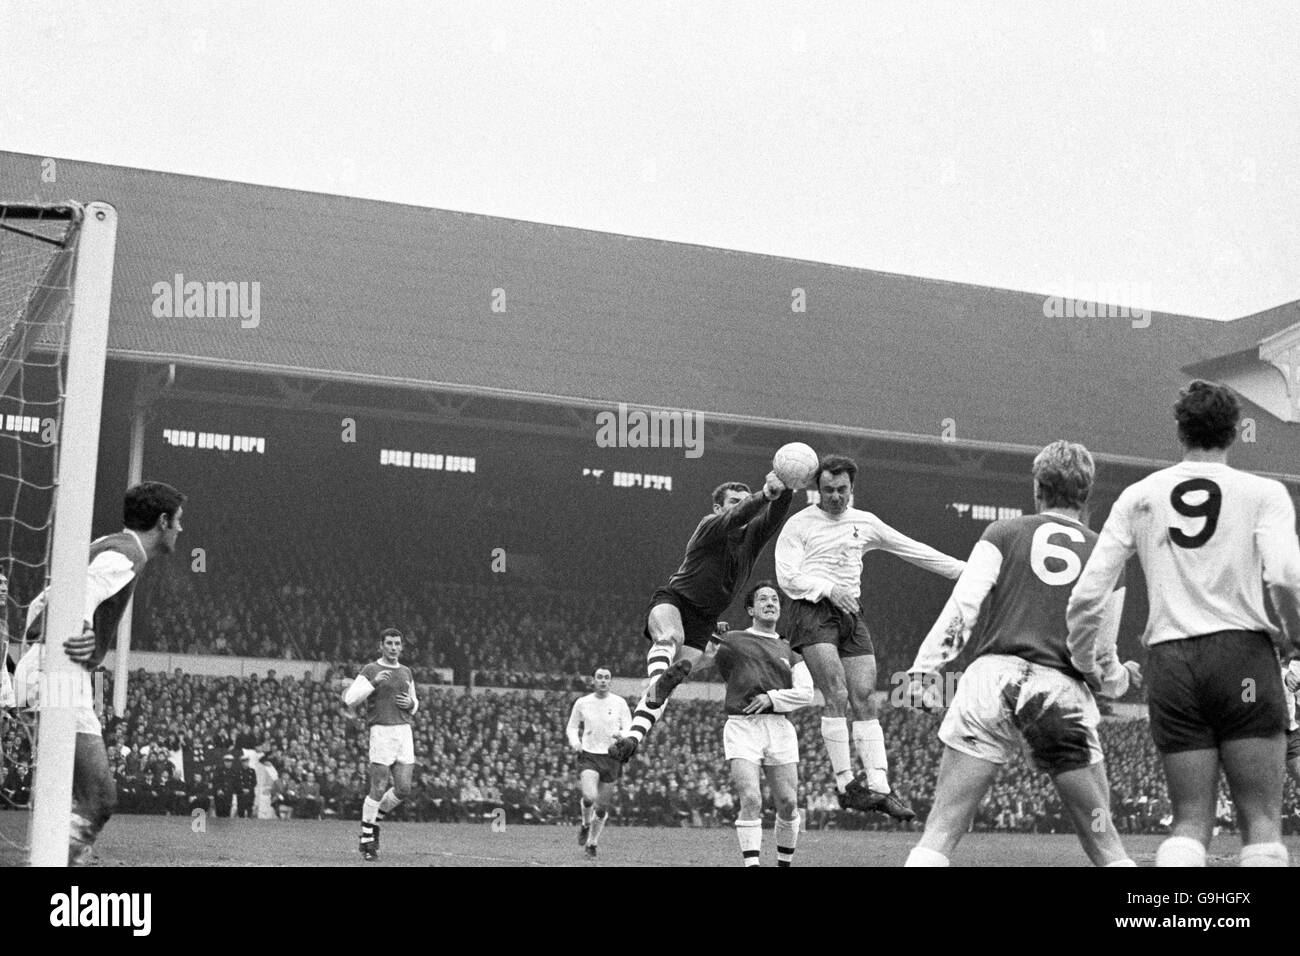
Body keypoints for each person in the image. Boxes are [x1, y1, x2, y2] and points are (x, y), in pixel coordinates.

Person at [1068, 381, 1300, 868]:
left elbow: (1089, 593)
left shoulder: (1139, 495)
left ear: (1180, 430)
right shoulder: (1264, 493)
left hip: (1172, 663)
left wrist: (1086, 660)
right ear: (1236, 431)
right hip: (1243, 657)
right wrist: (1295, 634)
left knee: (1190, 820)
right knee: (1259, 819)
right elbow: (1284, 574)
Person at [902, 440, 1139, 867]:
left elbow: (963, 608)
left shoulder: (1002, 533)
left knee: (941, 829)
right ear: (1086, 493)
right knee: (1105, 839)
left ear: (1037, 489)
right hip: (1060, 692)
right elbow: (1103, 657)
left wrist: (924, 671)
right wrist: (1121, 681)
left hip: (989, 682)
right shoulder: (1109, 557)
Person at [774, 454, 963, 819]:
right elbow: (787, 577)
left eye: (841, 490)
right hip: (812, 611)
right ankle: (846, 784)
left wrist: (969, 573)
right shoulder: (799, 525)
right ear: (817, 490)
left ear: (852, 488)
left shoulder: (866, 522)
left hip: (851, 614)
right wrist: (829, 588)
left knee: (865, 696)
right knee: (838, 694)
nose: (835, 497)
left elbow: (914, 550)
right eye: (827, 490)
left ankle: (878, 786)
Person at [12, 481, 186, 864]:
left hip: (57, 669)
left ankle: (63, 858)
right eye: (178, 521)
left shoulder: (110, 543)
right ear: (162, 521)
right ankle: (52, 863)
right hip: (58, 673)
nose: (180, 529)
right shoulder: (127, 553)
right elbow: (81, 591)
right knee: (100, 797)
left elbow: (42, 601)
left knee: (71, 792)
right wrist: (81, 628)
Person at [609, 471, 794, 763]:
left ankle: (632, 737)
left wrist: (786, 487)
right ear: (718, 508)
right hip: (675, 600)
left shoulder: (751, 538)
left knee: (670, 684)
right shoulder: (710, 526)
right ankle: (659, 680)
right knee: (670, 639)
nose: (740, 506)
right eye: (733, 501)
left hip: (705, 621)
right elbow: (740, 515)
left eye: (744, 502)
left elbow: (774, 517)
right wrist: (764, 495)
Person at [709, 581, 813, 866]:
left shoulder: (790, 648)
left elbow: (806, 692)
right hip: (743, 725)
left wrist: (772, 698)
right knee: (751, 800)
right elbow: (701, 663)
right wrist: (712, 640)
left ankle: (783, 863)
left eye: (775, 600)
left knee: (789, 804)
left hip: (779, 727)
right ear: (751, 609)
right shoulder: (734, 639)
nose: (771, 603)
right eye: (763, 599)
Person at [341, 627, 419, 861]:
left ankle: (375, 822)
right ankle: (367, 840)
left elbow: (414, 702)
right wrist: (373, 682)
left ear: (401, 646)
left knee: (404, 789)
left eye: (397, 643)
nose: (394, 647)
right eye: (389, 643)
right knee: (378, 786)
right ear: (381, 646)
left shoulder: (406, 671)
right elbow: (350, 700)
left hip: (404, 732)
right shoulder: (370, 669)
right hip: (381, 731)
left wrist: (411, 704)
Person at [566, 666, 631, 857]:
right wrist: (576, 743)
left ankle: (592, 843)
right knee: (589, 797)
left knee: (602, 808)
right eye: (599, 677)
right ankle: (586, 824)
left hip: (612, 757)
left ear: (610, 682)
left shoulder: (619, 703)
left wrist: (623, 734)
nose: (603, 680)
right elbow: (571, 727)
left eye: (606, 678)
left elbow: (629, 726)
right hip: (589, 755)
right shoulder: (582, 702)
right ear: (593, 680)